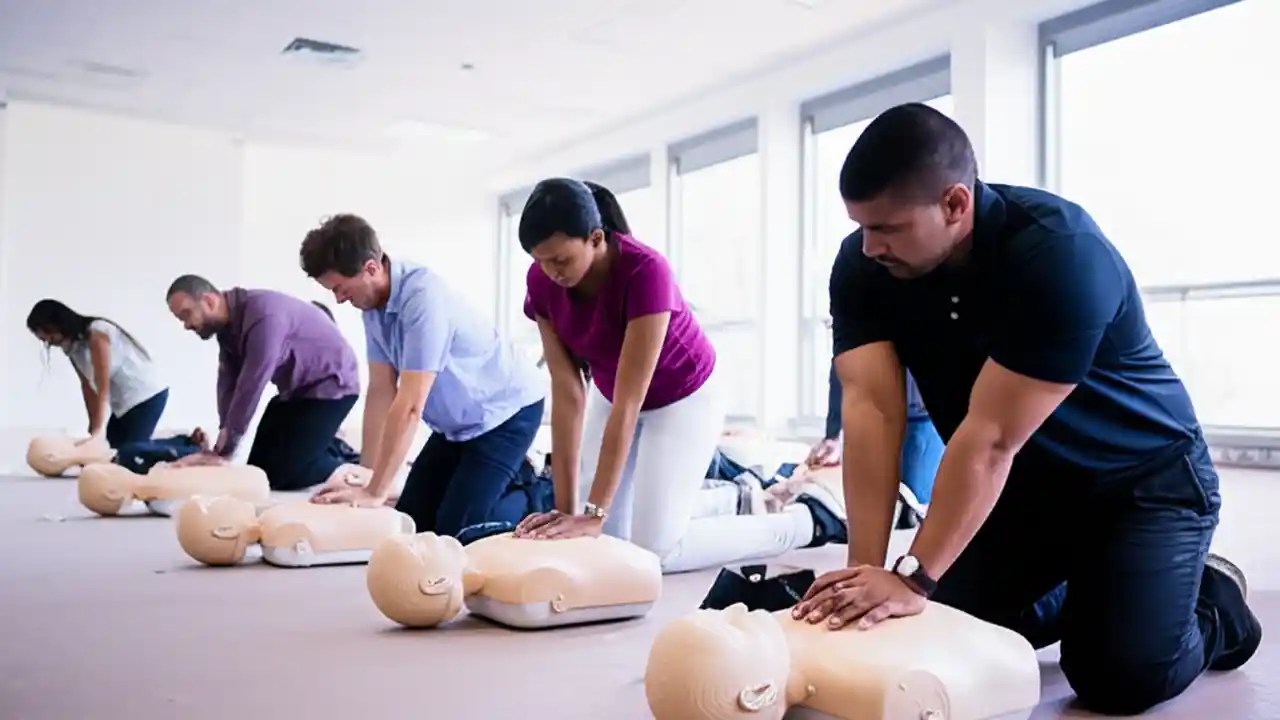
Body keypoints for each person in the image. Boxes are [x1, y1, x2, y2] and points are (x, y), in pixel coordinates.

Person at [789, 103, 1261, 715]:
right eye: (860, 226)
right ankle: (1101, 586)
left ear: (955, 205)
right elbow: (874, 412)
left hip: (1143, 485)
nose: (869, 246)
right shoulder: (864, 265)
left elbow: (987, 440)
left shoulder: (1059, 254)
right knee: (932, 628)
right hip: (1024, 492)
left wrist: (911, 576)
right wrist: (865, 571)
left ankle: (1212, 597)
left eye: (889, 228)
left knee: (1115, 677)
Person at [509, 178, 846, 574]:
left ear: (596, 238)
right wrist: (566, 515)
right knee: (605, 545)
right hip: (610, 388)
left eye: (561, 260)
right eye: (541, 261)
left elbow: (629, 405)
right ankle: (735, 497)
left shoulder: (646, 271)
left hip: (683, 396)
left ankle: (809, 520)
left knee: (654, 553)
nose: (551, 273)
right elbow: (567, 394)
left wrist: (594, 513)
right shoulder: (542, 282)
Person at [300, 214, 549, 537]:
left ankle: (536, 491)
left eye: (340, 288)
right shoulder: (372, 308)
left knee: (456, 532)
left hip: (505, 414)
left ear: (371, 268)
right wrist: (369, 476)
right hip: (456, 427)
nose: (338, 299)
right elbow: (381, 392)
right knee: (412, 522)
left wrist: (377, 491)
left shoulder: (422, 297)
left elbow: (409, 405)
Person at [163, 275, 361, 490]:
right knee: (260, 473)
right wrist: (223, 441)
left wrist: (227, 446)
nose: (186, 325)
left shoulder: (264, 315)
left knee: (286, 476)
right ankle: (322, 446)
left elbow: (252, 382)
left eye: (186, 314)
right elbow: (228, 384)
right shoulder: (227, 329)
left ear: (210, 301)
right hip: (294, 393)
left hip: (332, 387)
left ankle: (352, 463)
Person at [806, 359, 940, 528]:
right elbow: (841, 370)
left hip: (924, 417)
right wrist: (832, 435)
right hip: (877, 414)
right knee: (867, 501)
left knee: (912, 506)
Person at [26, 299, 169, 447]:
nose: (49, 342)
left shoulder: (97, 332)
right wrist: (93, 426)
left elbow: (103, 385)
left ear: (58, 323)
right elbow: (87, 386)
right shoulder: (71, 347)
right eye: (44, 340)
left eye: (49, 335)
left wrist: (99, 431)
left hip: (145, 394)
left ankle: (182, 446)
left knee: (133, 451)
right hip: (122, 402)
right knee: (112, 447)